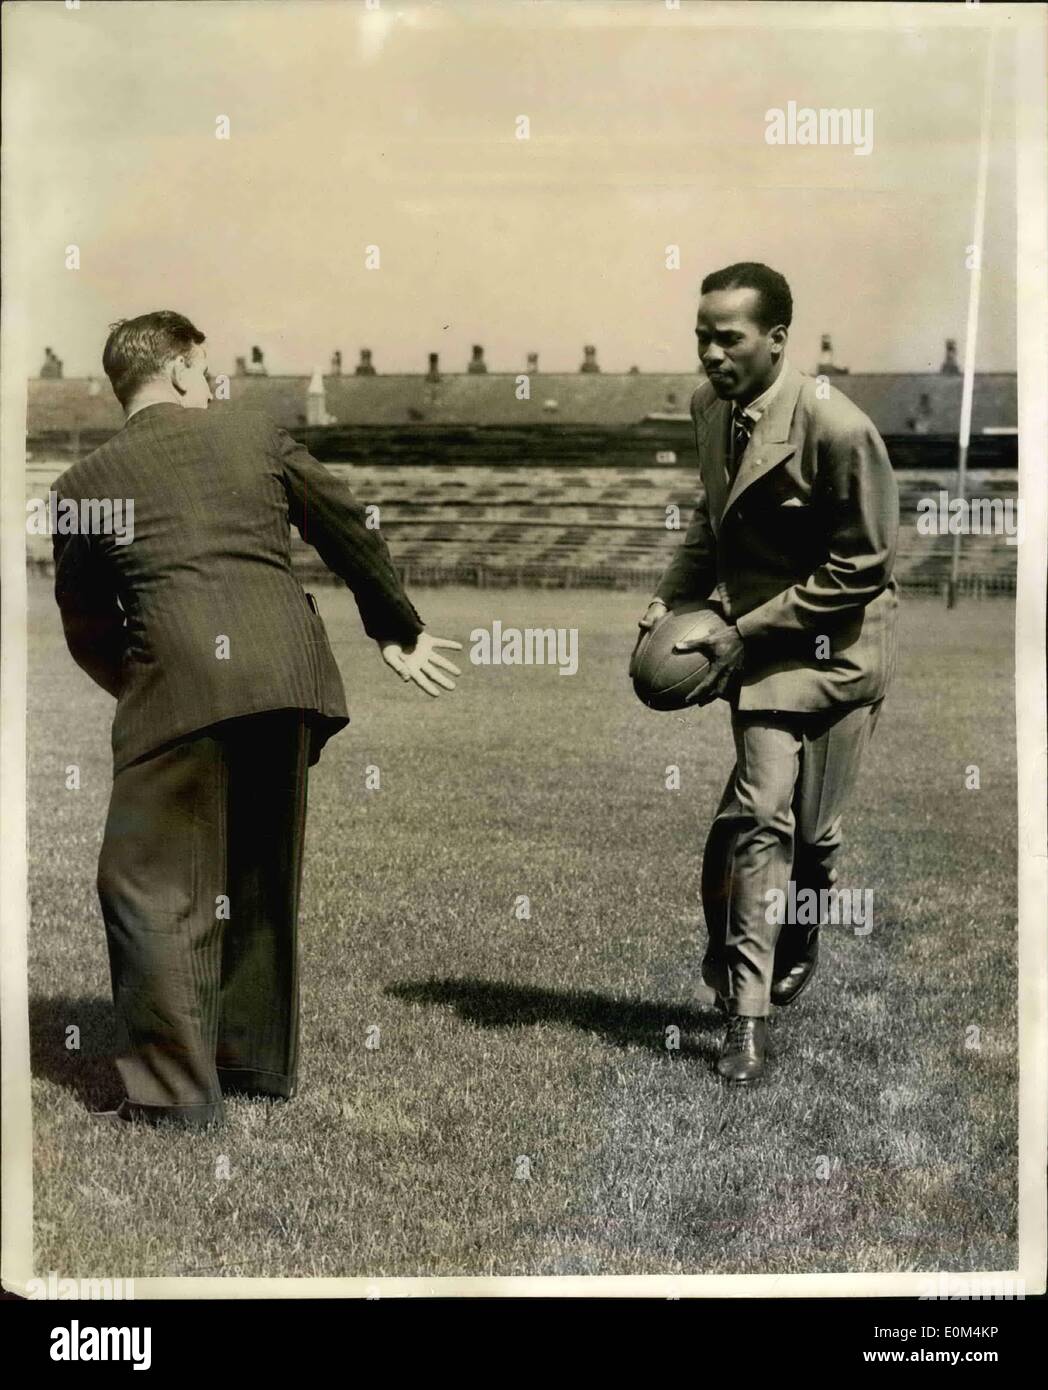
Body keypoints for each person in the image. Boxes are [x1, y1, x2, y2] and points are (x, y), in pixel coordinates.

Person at [52, 310, 462, 1127]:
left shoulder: (80, 489)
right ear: (177, 370)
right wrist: (396, 627)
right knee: (253, 876)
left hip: (179, 685)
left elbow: (86, 624)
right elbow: (348, 523)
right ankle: (245, 1062)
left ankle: (174, 1100)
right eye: (206, 372)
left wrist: (147, 687)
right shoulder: (256, 437)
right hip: (289, 680)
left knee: (142, 885)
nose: (212, 386)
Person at [638, 264, 899, 1083]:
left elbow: (863, 566)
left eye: (729, 338)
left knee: (815, 840)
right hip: (757, 659)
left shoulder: (839, 427)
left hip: (840, 651)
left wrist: (742, 631)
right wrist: (673, 597)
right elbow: (713, 525)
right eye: (701, 338)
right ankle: (743, 1019)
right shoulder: (707, 411)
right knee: (757, 817)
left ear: (777, 339)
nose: (711, 354)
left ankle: (806, 922)